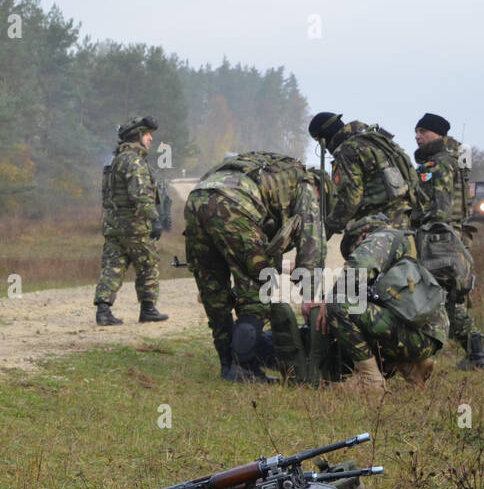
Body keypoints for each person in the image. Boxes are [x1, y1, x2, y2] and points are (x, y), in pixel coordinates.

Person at [183, 151, 328, 382]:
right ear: (322, 190)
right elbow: (312, 241)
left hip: (196, 199)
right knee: (258, 292)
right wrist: (310, 293)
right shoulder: (307, 184)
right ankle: (244, 369)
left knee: (214, 294)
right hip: (234, 203)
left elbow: (266, 243)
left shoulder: (268, 170)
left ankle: (227, 365)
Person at [302, 215, 447, 392]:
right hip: (430, 335)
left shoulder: (381, 238)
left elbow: (358, 268)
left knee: (337, 305)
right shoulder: (407, 244)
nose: (354, 253)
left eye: (352, 250)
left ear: (362, 235)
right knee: (364, 315)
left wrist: (330, 299)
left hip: (417, 335)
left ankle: (370, 380)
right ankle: (414, 367)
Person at [413, 112, 484, 370]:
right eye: (417, 131)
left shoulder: (440, 163)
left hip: (440, 240)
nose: (417, 136)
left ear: (438, 134)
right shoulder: (449, 160)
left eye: (423, 131)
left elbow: (440, 208)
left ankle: (475, 353)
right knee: (447, 297)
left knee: (443, 296)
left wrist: (415, 219)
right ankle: (474, 352)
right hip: (448, 238)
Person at [94, 116, 168, 326]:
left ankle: (103, 310)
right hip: (134, 226)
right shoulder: (134, 161)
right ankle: (148, 309)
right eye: (147, 135)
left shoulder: (116, 160)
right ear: (137, 136)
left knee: (113, 266)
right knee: (148, 264)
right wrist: (154, 219)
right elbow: (140, 195)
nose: (151, 139)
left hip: (114, 224)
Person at [308, 112, 420, 248]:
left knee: (351, 251)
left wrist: (326, 229)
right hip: (407, 219)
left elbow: (350, 200)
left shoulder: (347, 150)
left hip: (379, 225)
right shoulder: (376, 139)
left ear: (324, 138)